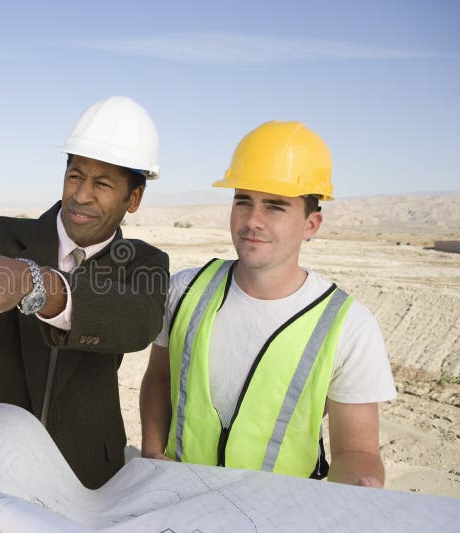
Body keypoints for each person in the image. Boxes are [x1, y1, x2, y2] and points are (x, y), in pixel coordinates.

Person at [0, 96, 169, 531]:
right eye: (75, 176)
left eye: (103, 184)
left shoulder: (144, 263)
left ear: (135, 197)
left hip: (85, 477)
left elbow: (137, 321)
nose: (81, 195)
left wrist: (31, 283)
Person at [140, 120, 396, 487]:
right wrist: (152, 455)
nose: (252, 221)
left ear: (311, 224)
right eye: (243, 201)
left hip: (282, 514)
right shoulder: (185, 290)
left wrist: (359, 491)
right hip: (179, 498)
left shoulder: (349, 325)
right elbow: (161, 377)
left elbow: (357, 452)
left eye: (274, 207)